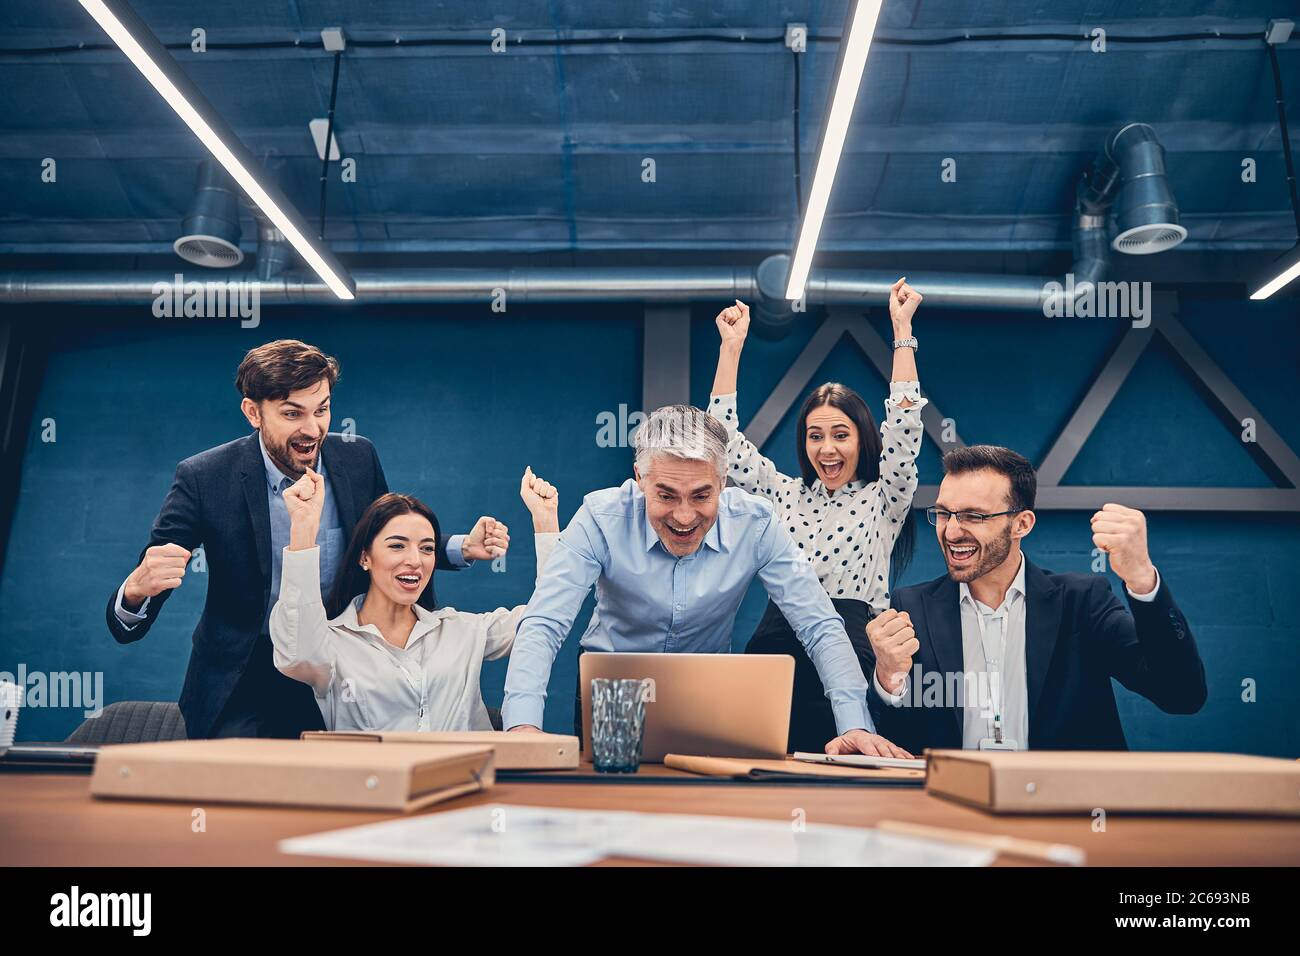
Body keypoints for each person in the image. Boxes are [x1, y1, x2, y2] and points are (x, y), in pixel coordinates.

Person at [105, 339, 509, 739]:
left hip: (337, 658)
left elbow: (384, 537)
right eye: (292, 413)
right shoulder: (204, 476)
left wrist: (459, 547)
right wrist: (137, 591)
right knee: (242, 789)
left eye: (322, 410)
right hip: (247, 672)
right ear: (253, 412)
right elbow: (151, 577)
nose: (312, 428)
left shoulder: (357, 458)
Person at [502, 403, 912, 758]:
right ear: (639, 479)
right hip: (615, 691)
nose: (683, 517)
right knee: (615, 811)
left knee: (702, 814)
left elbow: (819, 626)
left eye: (701, 496)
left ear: (723, 480)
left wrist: (854, 725)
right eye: (665, 495)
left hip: (705, 693)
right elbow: (544, 623)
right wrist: (522, 726)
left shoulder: (756, 523)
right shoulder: (599, 517)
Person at [866, 445, 1207, 752]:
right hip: (950, 813)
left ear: (1022, 524)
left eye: (974, 516)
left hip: (1066, 814)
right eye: (944, 513)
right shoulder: (911, 609)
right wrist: (887, 678)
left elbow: (1181, 694)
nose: (952, 531)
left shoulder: (1082, 602)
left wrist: (1142, 579)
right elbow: (895, 744)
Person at [707, 281, 925, 751]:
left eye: (840, 434)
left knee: (845, 776)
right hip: (775, 647)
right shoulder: (782, 494)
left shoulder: (885, 497)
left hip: (850, 646)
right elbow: (721, 443)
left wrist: (902, 331)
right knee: (764, 770)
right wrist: (730, 349)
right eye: (814, 436)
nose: (827, 448)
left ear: (863, 438)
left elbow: (905, 429)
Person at [269, 467, 560, 732]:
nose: (415, 561)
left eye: (427, 548)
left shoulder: (461, 630)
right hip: (376, 787)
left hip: (465, 784)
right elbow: (295, 653)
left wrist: (545, 522)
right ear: (364, 557)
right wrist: (304, 531)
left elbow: (544, 620)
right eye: (397, 546)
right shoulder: (330, 644)